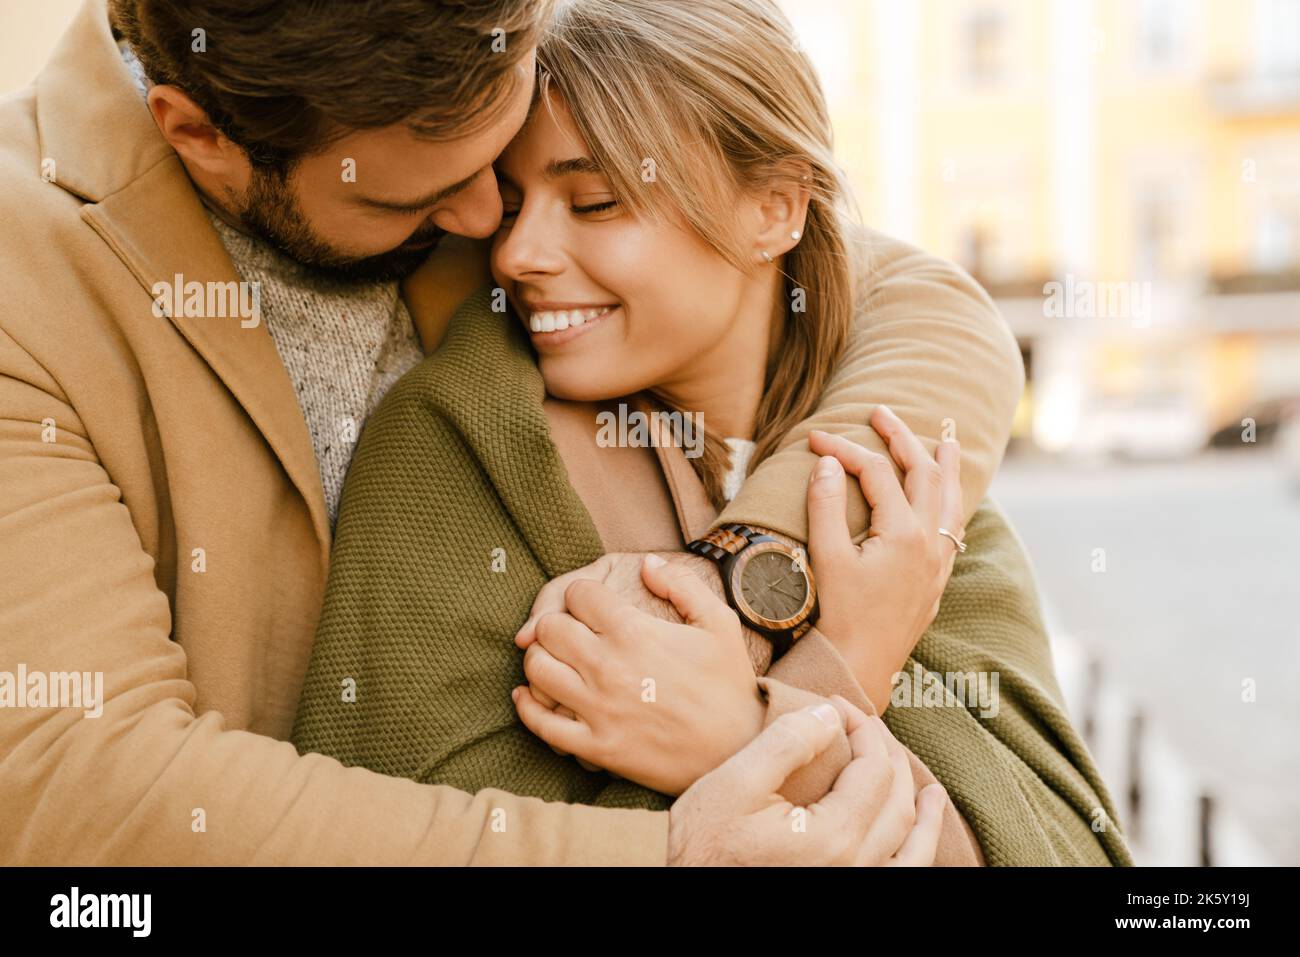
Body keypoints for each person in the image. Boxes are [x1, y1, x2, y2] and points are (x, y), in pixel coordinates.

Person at [0, 0, 1027, 865]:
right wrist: (690, 839)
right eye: (432, 192)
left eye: (521, 163)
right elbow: (82, 778)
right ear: (199, 134)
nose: (497, 225)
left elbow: (906, 295)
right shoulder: (24, 269)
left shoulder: (471, 126)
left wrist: (747, 586)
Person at [293, 0, 1133, 866]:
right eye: (510, 207)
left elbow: (1064, 846)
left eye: (595, 201)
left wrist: (746, 727)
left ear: (774, 208)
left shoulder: (906, 485)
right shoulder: (456, 454)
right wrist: (834, 670)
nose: (518, 254)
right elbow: (412, 835)